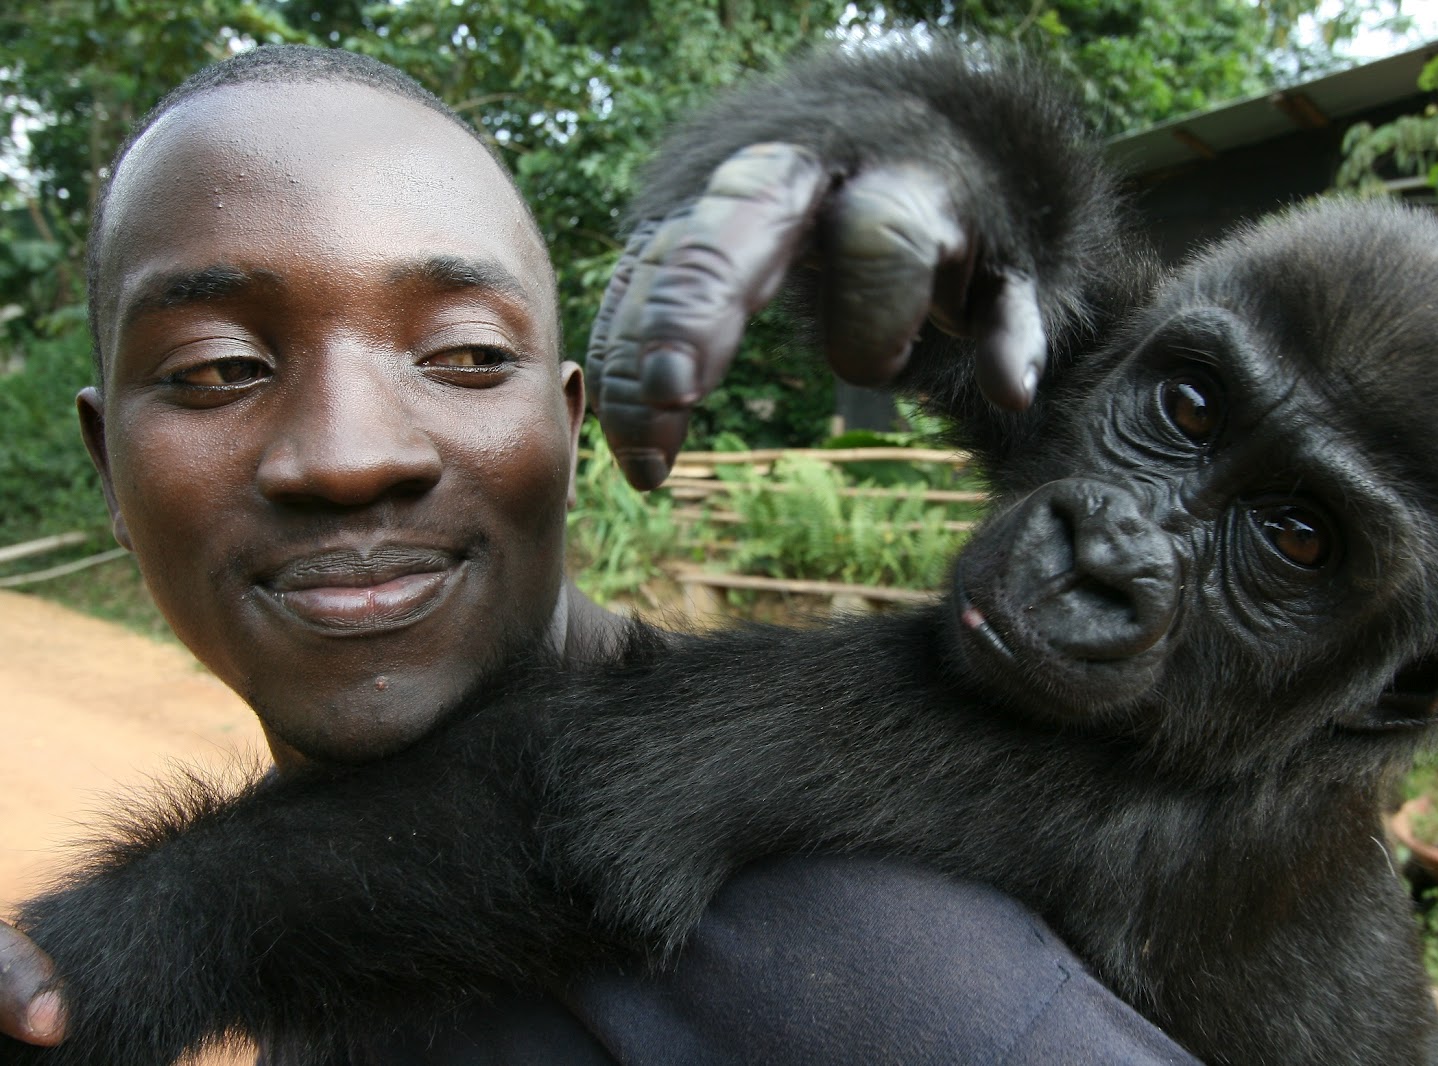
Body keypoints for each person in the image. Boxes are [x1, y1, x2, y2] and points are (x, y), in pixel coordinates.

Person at [0, 44, 1199, 1064]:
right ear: (110, 465)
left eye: (466, 354)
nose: (349, 454)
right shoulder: (257, 903)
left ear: (568, 431)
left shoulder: (889, 980)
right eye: (220, 368)